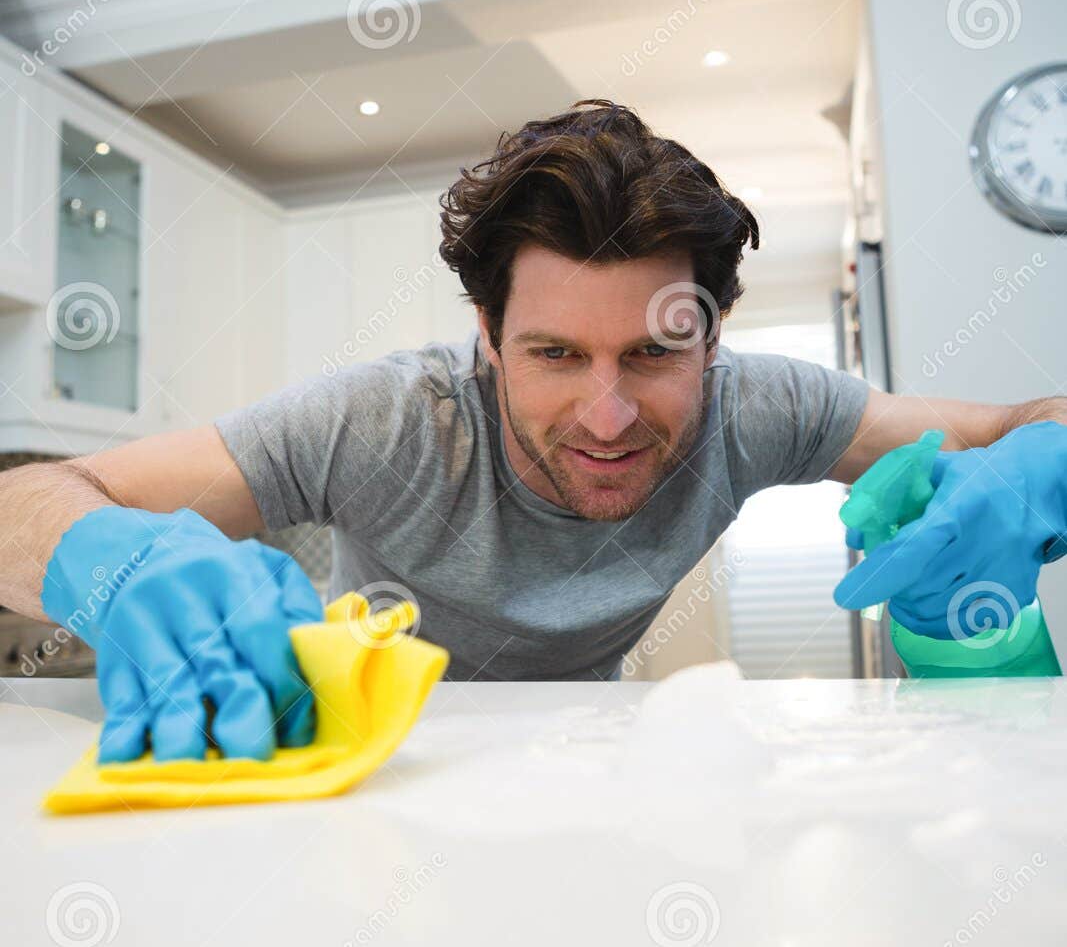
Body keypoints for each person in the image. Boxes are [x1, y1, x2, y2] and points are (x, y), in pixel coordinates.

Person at [3, 102, 1065, 760]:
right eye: (555, 354)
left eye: (651, 354)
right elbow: (23, 501)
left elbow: (1022, 420)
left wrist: (1037, 466)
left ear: (711, 335)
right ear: (486, 334)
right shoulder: (382, 420)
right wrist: (111, 560)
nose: (606, 416)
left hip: (583, 757)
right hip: (376, 763)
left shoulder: (761, 406)